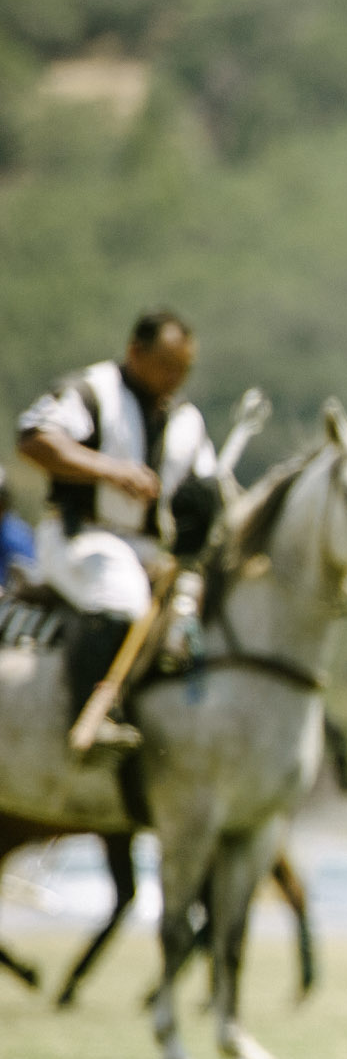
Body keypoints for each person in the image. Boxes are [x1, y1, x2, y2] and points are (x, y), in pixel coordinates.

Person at [13, 310, 219, 753]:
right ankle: (93, 711)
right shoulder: (91, 391)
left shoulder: (187, 419)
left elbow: (202, 490)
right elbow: (33, 438)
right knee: (121, 595)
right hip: (80, 538)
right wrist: (107, 470)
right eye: (166, 366)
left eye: (183, 369)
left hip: (151, 550)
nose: (174, 379)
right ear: (134, 353)